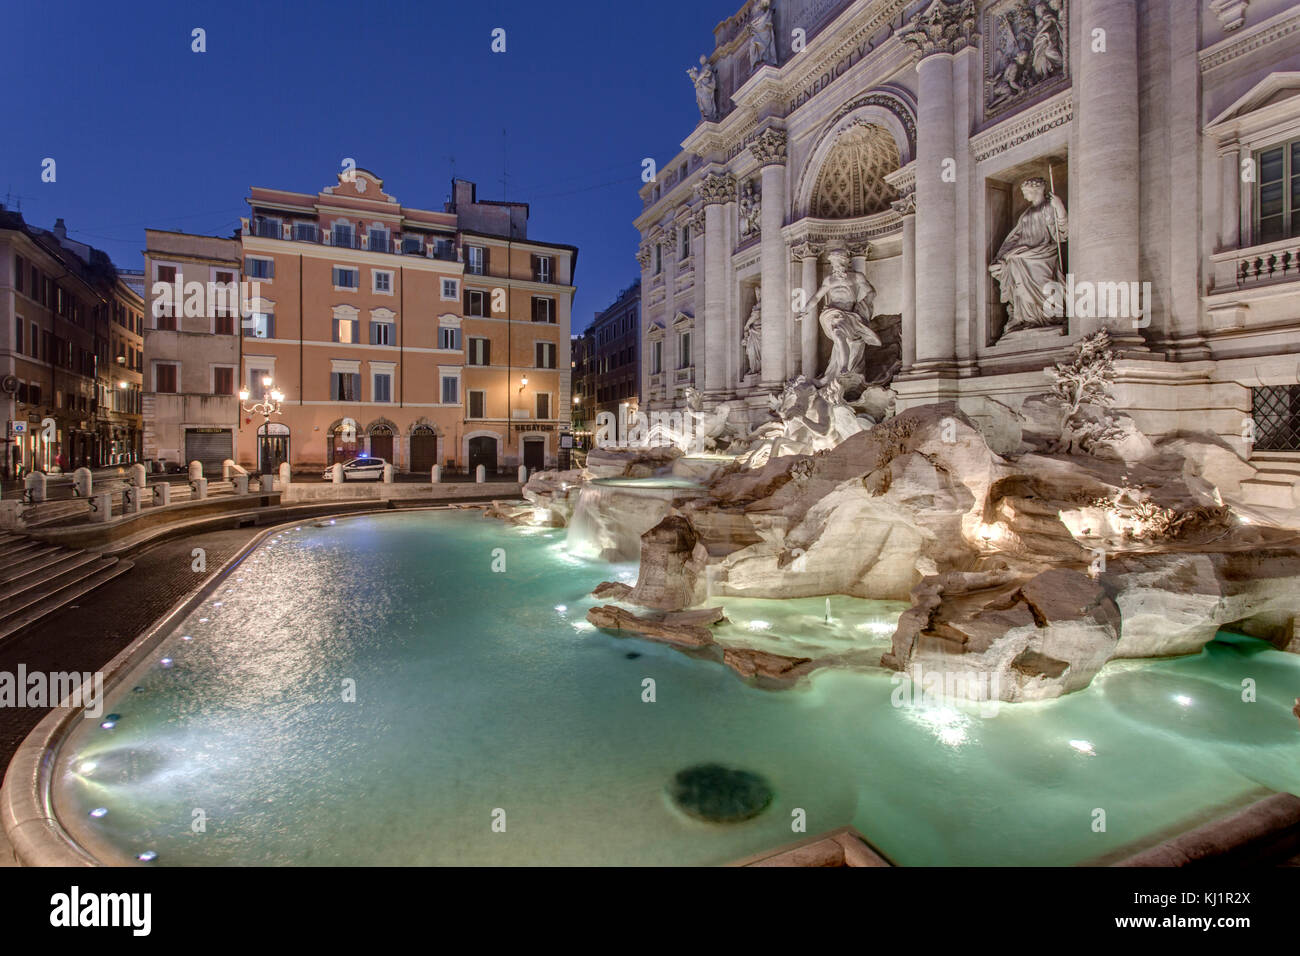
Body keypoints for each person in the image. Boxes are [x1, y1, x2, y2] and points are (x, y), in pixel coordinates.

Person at [989, 177, 1068, 335]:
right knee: (1012, 260)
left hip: (1043, 250)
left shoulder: (1048, 206)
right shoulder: (1027, 212)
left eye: (1026, 193)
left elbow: (1060, 230)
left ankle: (1046, 316)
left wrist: (1059, 207)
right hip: (1024, 250)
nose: (1024, 197)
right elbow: (1016, 236)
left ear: (1036, 191)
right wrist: (1002, 256)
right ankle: (1025, 317)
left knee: (1019, 260)